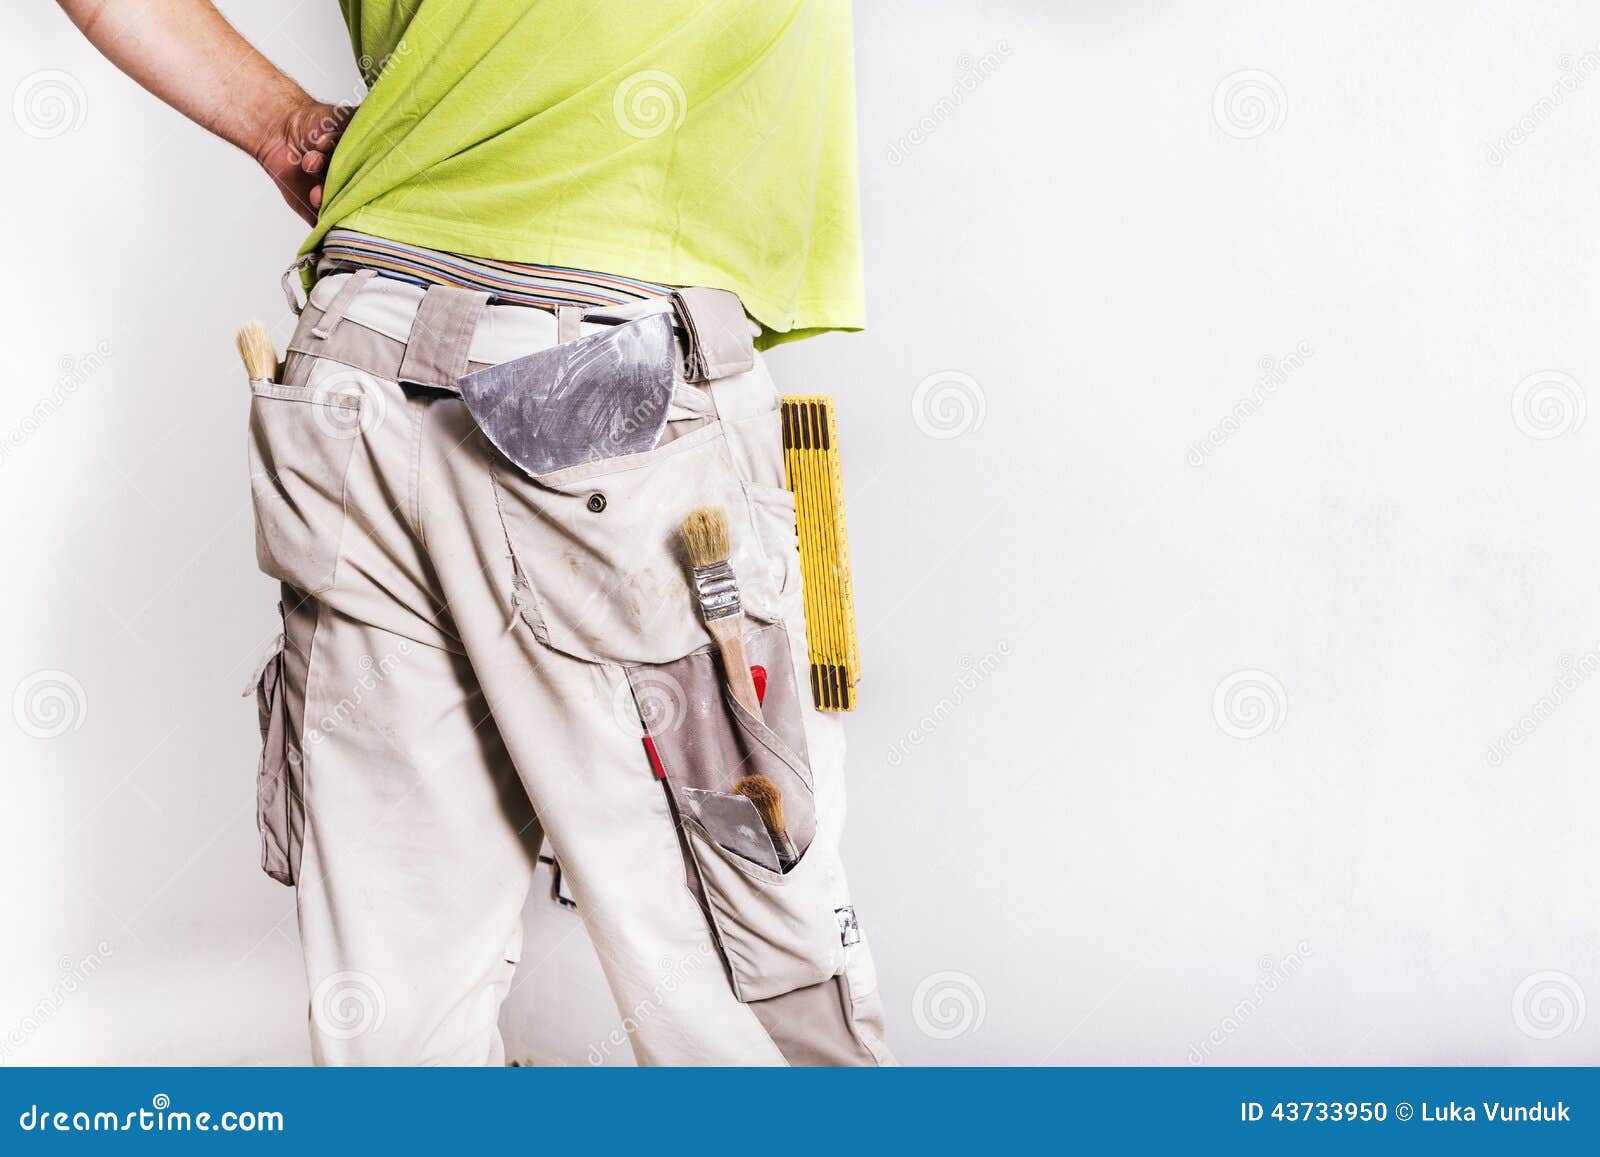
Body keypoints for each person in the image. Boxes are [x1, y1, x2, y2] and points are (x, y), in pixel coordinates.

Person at [57, 0, 890, 1066]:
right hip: (608, 373)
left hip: (360, 358)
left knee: (397, 1016)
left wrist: (277, 122)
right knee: (752, 1004)